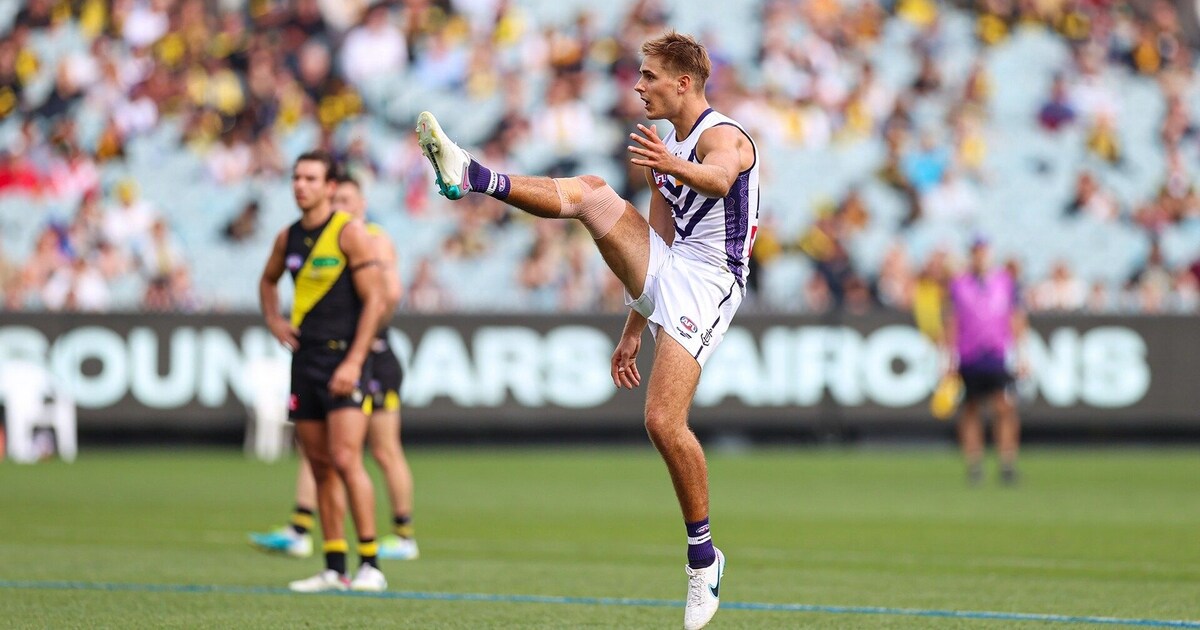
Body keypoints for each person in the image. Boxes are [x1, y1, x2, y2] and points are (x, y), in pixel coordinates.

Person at [415, 30, 757, 630]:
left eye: (648, 75)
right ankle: (471, 174)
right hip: (674, 272)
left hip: (712, 283)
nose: (637, 85)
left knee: (662, 422)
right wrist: (634, 321)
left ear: (682, 83)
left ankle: (704, 558)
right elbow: (662, 242)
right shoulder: (665, 145)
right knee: (593, 196)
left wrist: (671, 164)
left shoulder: (721, 134)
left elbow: (722, 180)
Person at [251, 174, 418, 561]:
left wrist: (359, 330)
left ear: (361, 203)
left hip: (371, 356)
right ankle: (301, 526)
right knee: (321, 449)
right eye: (336, 197)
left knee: (382, 451)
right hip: (332, 356)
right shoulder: (323, 237)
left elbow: (389, 294)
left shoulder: (371, 237)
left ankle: (403, 532)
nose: (340, 204)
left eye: (347, 198)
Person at [943, 237, 1027, 485]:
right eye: (976, 252)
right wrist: (948, 356)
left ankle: (1007, 462)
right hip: (969, 353)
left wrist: (1022, 353)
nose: (980, 257)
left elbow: (1016, 318)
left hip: (997, 352)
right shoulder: (959, 285)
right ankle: (974, 464)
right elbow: (951, 321)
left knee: (1004, 407)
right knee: (970, 409)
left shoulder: (1004, 282)